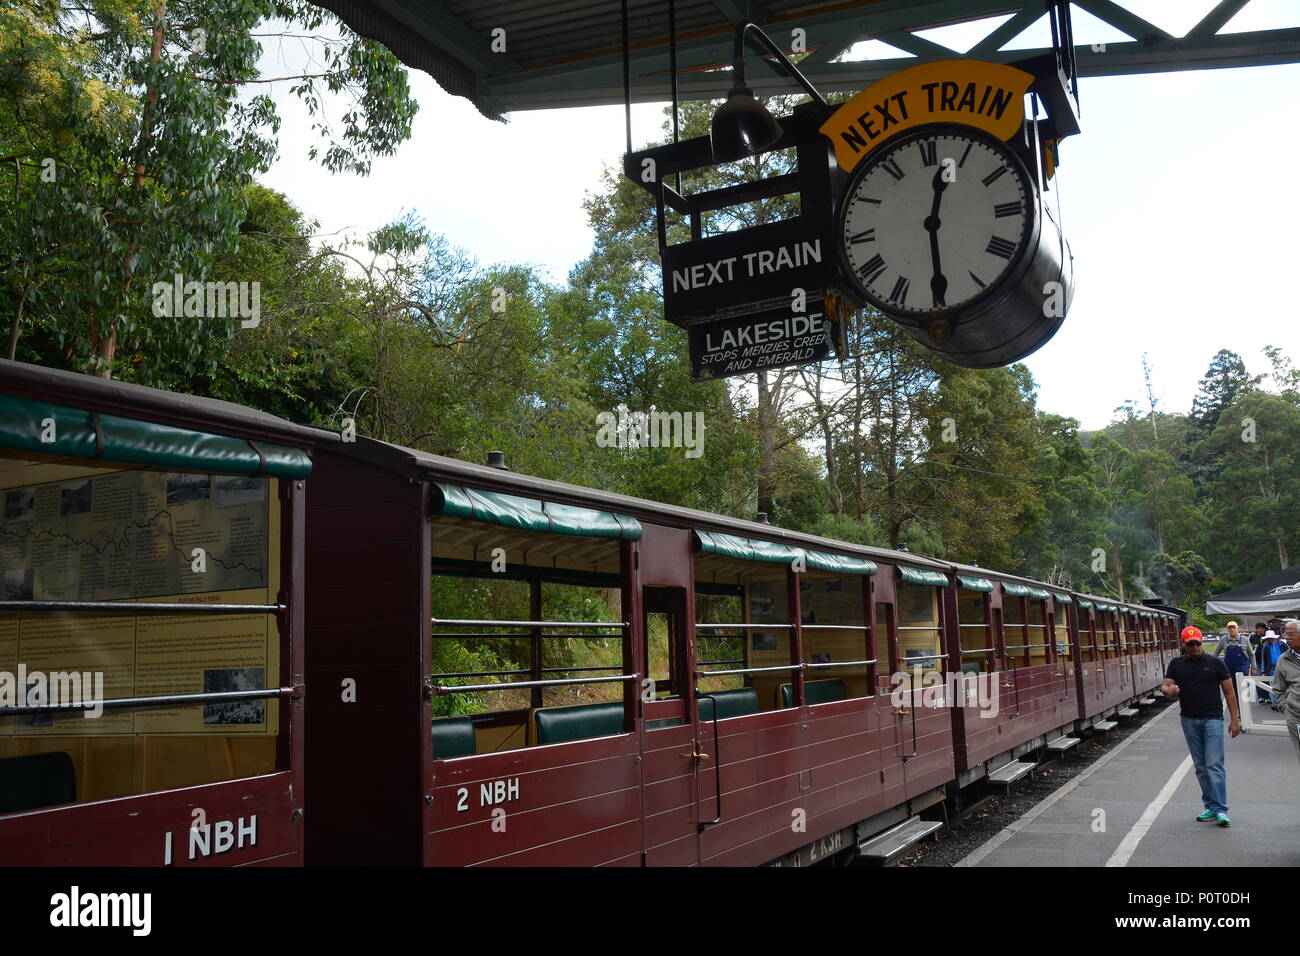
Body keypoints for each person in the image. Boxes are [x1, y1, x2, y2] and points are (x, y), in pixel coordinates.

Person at [1162, 625, 1241, 827]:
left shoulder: (1215, 663)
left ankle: (1221, 809)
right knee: (1201, 766)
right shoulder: (1177, 664)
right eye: (1191, 644)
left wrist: (1235, 719)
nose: (1195, 646)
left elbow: (1229, 692)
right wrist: (1169, 690)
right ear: (1184, 645)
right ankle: (1210, 806)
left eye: (1198, 642)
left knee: (1214, 763)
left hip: (1213, 719)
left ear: (1202, 641)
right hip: (1189, 719)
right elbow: (1166, 684)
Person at [1271, 622, 1300, 770]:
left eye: (1291, 634)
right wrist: (1286, 708)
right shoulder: (1283, 659)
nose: (1286, 637)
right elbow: (1278, 688)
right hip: (1296, 717)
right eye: (1286, 634)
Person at [1260, 629, 1285, 707]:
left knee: (1283, 685)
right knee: (1272, 686)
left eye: (1271, 638)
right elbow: (1263, 659)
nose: (1270, 639)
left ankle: (1282, 702)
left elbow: (1289, 653)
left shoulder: (1282, 644)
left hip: (1282, 667)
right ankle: (1275, 703)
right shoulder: (1265, 645)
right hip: (1271, 668)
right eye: (1268, 638)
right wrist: (1263, 671)